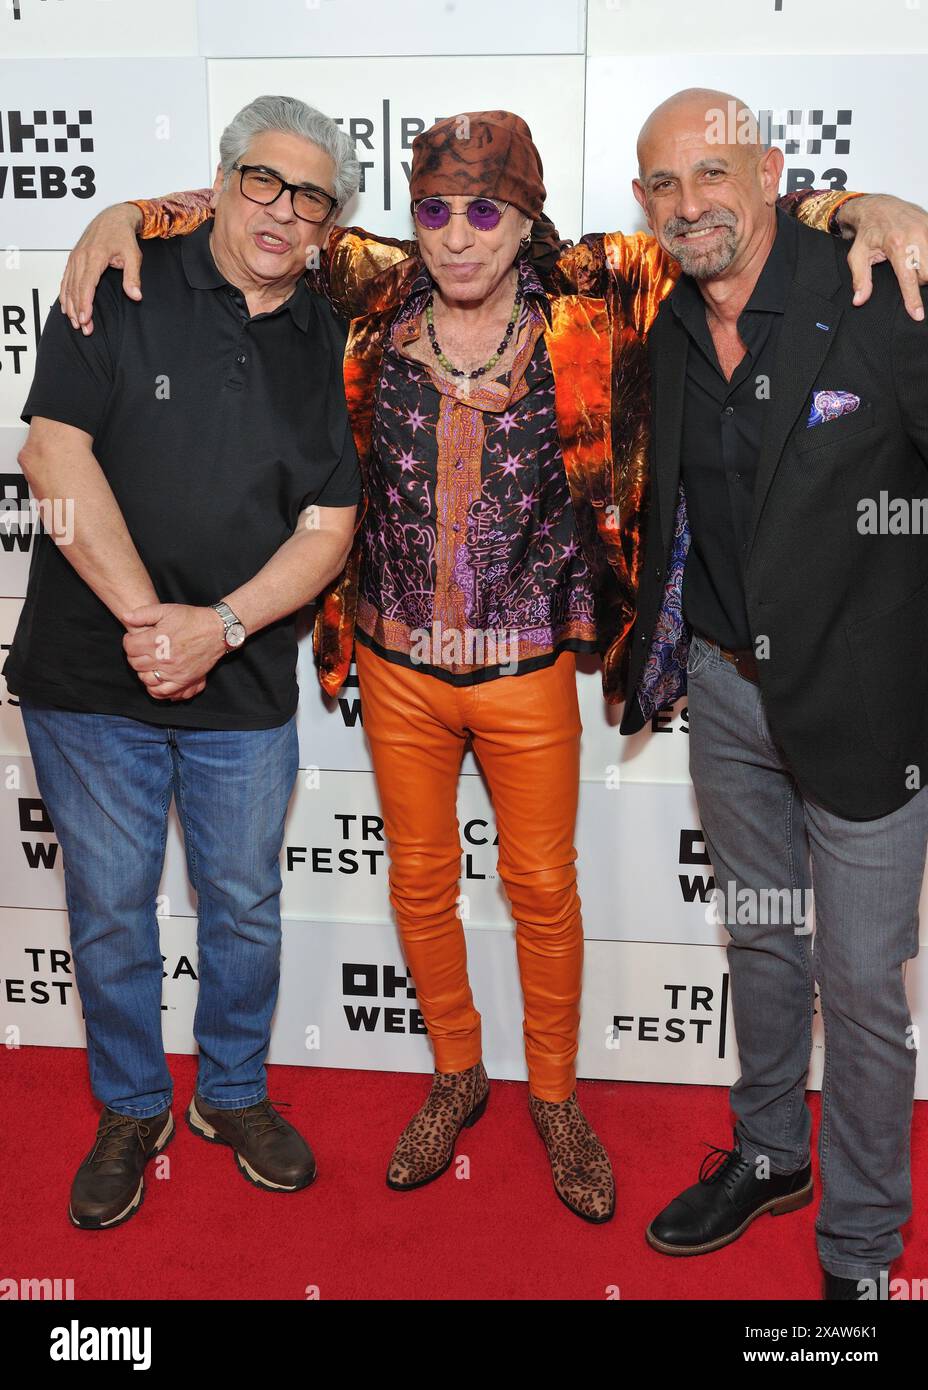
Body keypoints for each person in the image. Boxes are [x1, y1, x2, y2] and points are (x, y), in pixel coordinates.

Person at [55, 103, 925, 1224]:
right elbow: (252, 213)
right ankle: (457, 1074)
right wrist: (123, 216)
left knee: (543, 888)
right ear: (407, 223)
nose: (457, 235)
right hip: (398, 664)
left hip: (524, 668)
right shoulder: (367, 288)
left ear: (526, 221)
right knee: (418, 881)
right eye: (433, 211)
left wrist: (862, 207)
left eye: (485, 211)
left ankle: (555, 1099)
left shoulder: (601, 295)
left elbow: (728, 214)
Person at [2, 94, 362, 1229]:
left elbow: (330, 521)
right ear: (219, 180)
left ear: (327, 224)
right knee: (110, 908)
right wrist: (155, 620)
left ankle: (235, 1094)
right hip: (87, 676)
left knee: (244, 905)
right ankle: (131, 1107)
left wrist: (226, 626)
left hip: (243, 677)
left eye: (309, 197)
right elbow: (51, 452)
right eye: (262, 180)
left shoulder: (330, 333)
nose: (282, 209)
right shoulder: (121, 281)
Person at [620, 88, 928, 1299]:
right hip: (725, 692)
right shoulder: (666, 319)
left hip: (868, 707)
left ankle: (859, 1250)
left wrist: (870, 208)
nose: (689, 205)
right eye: (662, 185)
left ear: (772, 170)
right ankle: (768, 1154)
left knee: (860, 989)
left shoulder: (879, 291)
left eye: (711, 174)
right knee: (759, 933)